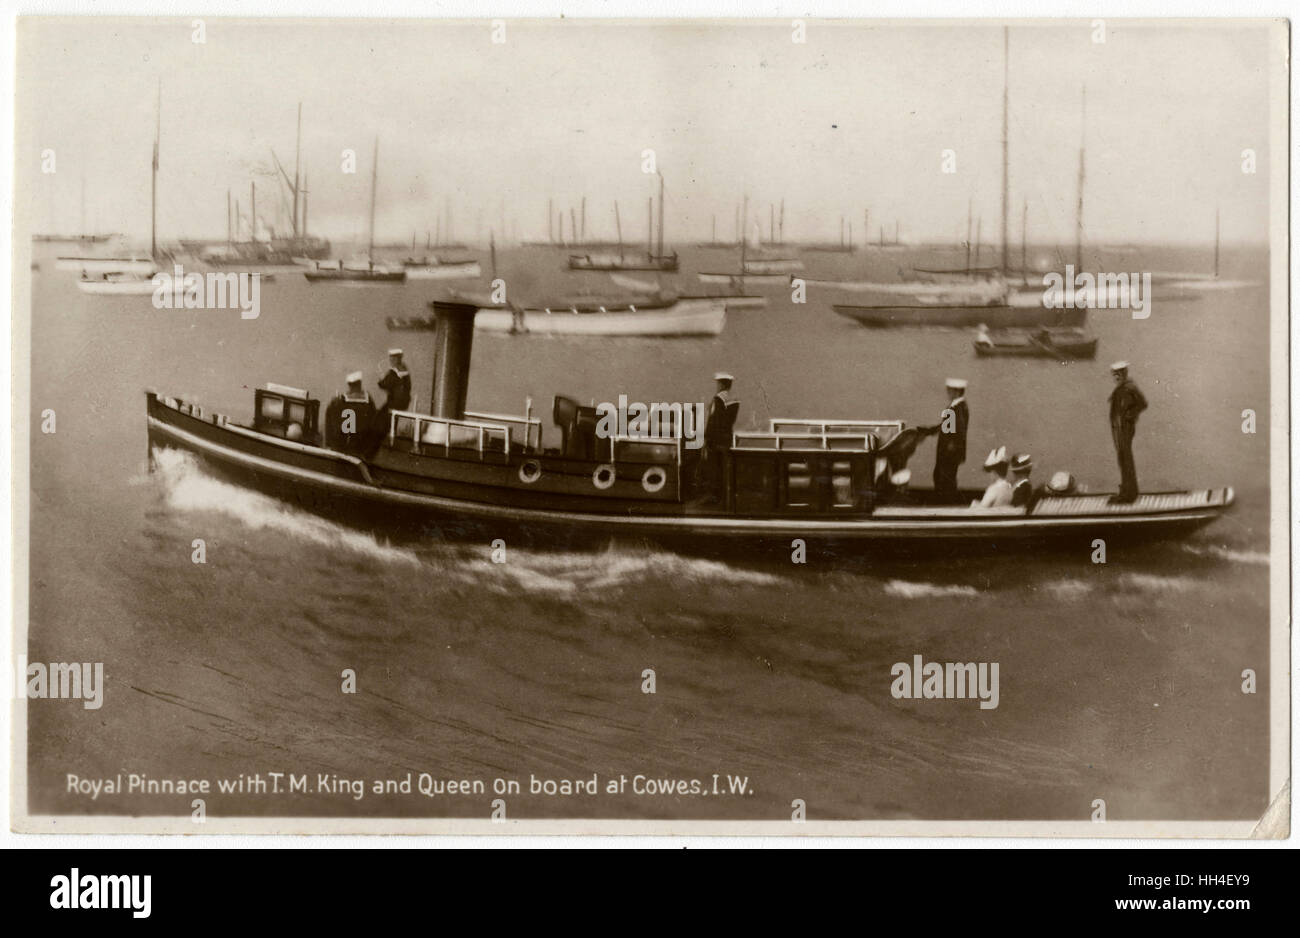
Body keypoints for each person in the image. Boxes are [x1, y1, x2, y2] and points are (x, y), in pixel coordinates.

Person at [922, 378, 969, 502]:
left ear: (957, 391)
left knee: (944, 481)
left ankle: (945, 505)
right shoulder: (956, 407)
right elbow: (947, 426)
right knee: (943, 478)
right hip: (948, 452)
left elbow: (959, 429)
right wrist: (929, 431)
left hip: (948, 453)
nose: (948, 392)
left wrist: (951, 446)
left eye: (950, 390)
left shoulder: (957, 408)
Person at [1108, 361, 1148, 503]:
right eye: (1114, 375)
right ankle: (1126, 490)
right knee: (1123, 458)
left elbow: (1143, 404)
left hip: (1124, 428)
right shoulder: (1122, 388)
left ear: (1124, 373)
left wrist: (1130, 416)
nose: (1116, 377)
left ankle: (1129, 493)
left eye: (1118, 374)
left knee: (1125, 459)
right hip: (1119, 428)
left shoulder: (1129, 388)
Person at [697, 372, 740, 502]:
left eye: (718, 383)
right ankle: (724, 496)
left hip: (715, 440)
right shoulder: (734, 398)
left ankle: (714, 496)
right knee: (723, 467)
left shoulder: (718, 399)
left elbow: (713, 420)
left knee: (713, 467)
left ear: (721, 384)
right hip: (726, 438)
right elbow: (729, 420)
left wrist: (706, 437)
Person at [324, 370, 376, 454]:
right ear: (360, 384)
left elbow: (331, 423)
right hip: (361, 446)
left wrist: (329, 444)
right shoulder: (369, 402)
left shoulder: (338, 401)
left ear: (349, 385)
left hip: (341, 445)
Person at [378, 348, 412, 413]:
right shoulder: (405, 370)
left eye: (392, 359)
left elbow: (384, 384)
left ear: (396, 359)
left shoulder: (394, 372)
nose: (391, 361)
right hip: (404, 404)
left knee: (378, 417)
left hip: (394, 403)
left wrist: (381, 378)